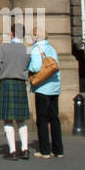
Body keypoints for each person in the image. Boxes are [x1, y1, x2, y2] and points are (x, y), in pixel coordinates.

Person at [0, 22, 32, 159]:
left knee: (8, 120)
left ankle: (12, 151)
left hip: (7, 83)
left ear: (12, 33)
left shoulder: (5, 48)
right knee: (21, 120)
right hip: (20, 83)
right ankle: (25, 149)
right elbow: (28, 66)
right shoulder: (27, 50)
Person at [28, 24, 63, 158]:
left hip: (42, 88)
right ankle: (58, 150)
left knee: (42, 119)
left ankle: (45, 150)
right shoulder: (51, 48)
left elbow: (36, 67)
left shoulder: (36, 49)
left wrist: (29, 66)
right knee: (54, 118)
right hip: (54, 87)